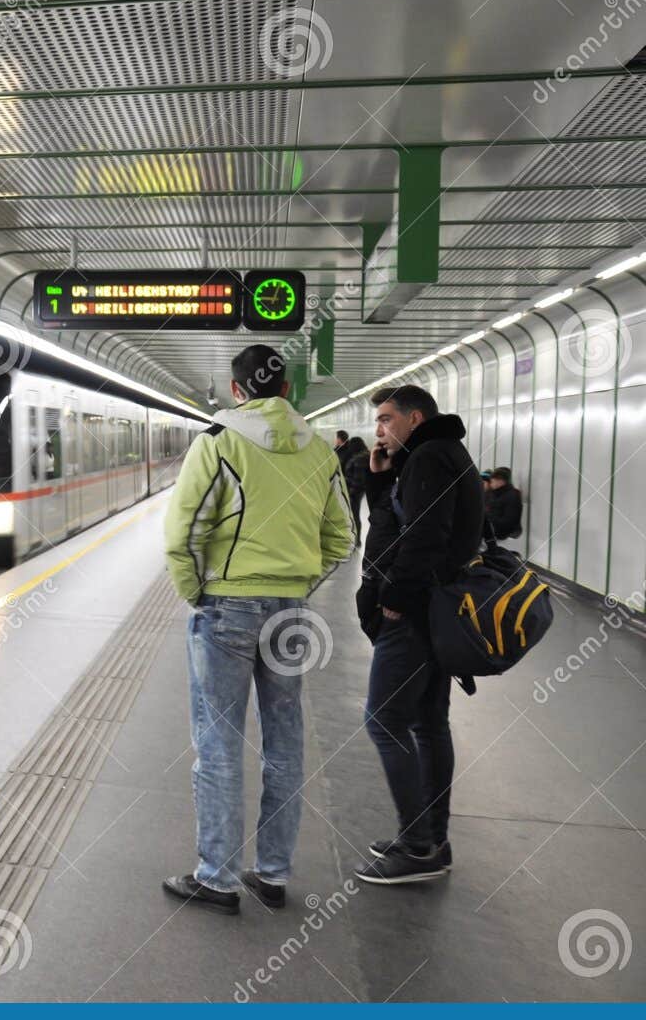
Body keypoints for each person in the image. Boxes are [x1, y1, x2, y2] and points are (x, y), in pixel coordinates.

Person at [161, 345, 356, 914]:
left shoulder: (219, 444)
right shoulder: (320, 451)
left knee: (219, 740)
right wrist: (297, 583)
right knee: (285, 740)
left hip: (227, 607)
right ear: (289, 391)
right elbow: (342, 540)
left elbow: (183, 535)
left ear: (236, 388)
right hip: (290, 611)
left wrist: (199, 591)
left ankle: (217, 877)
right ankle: (271, 874)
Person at [354, 385, 484, 885]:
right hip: (436, 614)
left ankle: (416, 845)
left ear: (414, 417)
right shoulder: (443, 454)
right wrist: (379, 479)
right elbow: (398, 521)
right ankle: (432, 839)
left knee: (385, 721)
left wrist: (395, 602)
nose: (380, 429)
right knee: (428, 725)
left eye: (387, 419)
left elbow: (422, 539)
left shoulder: (429, 457)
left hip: (415, 616)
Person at [337, 432, 369, 542]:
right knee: (354, 515)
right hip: (359, 492)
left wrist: (348, 493)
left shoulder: (358, 459)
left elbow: (357, 481)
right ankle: (356, 539)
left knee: (352, 516)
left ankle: (354, 539)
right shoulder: (366, 456)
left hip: (353, 493)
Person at [483, 466, 523, 543]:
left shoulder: (512, 496)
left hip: (504, 531)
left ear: (501, 481)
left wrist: (488, 520)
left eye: (492, 480)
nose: (491, 483)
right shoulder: (493, 493)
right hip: (493, 528)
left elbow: (509, 521)